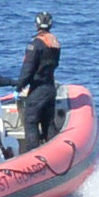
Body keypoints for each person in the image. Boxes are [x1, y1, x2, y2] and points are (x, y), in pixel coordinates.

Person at [17, 12, 61, 150]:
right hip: (50, 86)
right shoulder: (54, 43)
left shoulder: (36, 44)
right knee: (48, 122)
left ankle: (33, 154)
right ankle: (55, 152)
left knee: (31, 121)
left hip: (38, 88)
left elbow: (28, 69)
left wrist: (19, 86)